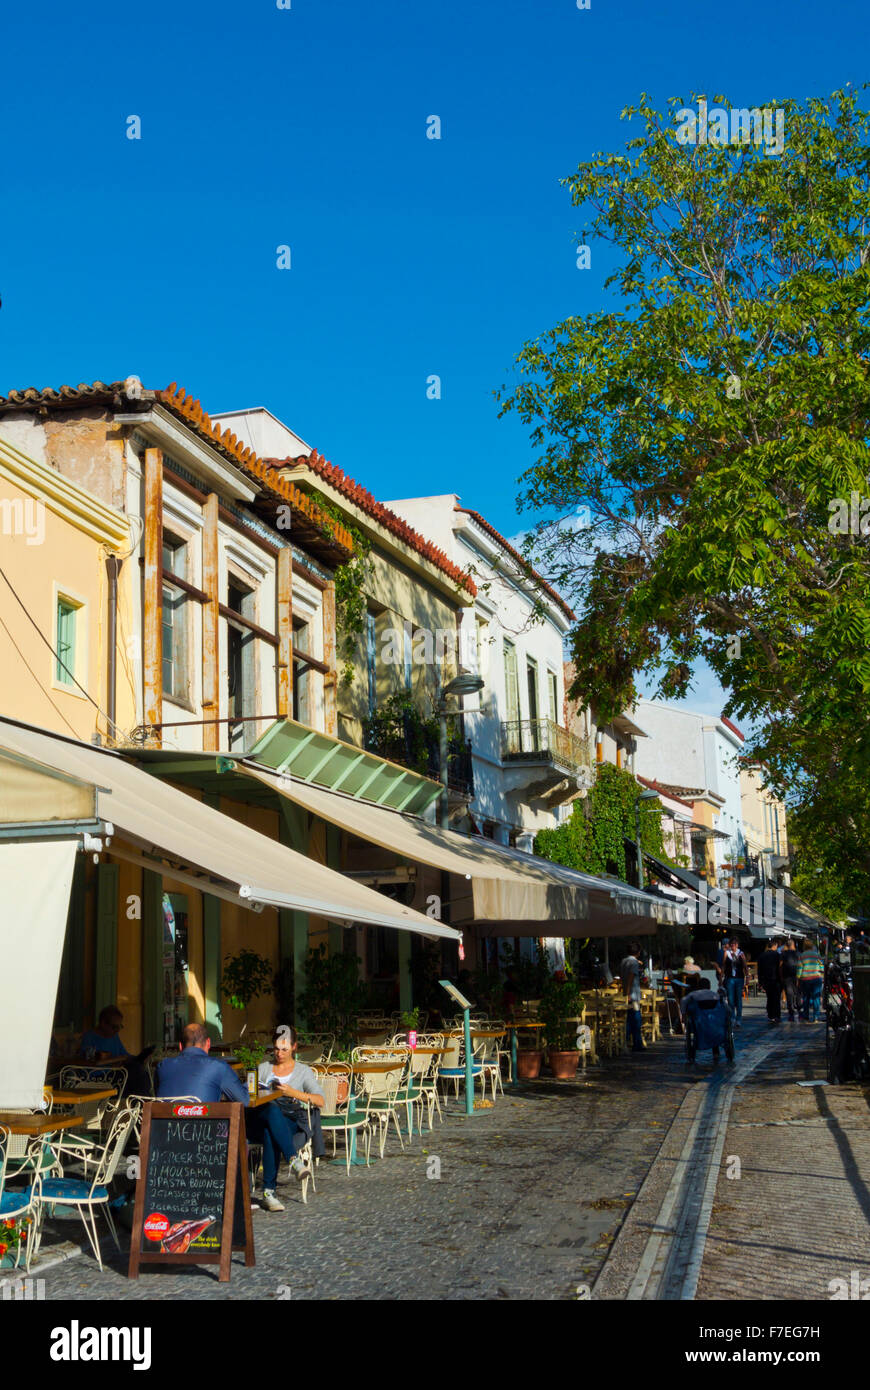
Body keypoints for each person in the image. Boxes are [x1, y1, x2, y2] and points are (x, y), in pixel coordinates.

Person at [156, 1023, 308, 1212]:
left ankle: (281, 1173)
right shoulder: (217, 1067)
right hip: (204, 1141)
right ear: (209, 1044)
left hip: (164, 1143)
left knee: (269, 1115)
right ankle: (286, 1164)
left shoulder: (162, 1067)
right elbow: (244, 1100)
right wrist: (247, 1085)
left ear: (180, 1046)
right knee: (264, 1114)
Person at [256, 1026, 326, 1180]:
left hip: (292, 1120)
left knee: (270, 1132)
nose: (279, 1053)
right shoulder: (263, 1069)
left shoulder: (303, 1071)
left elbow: (320, 1100)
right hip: (264, 1118)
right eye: (276, 1049)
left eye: (284, 1049)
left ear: (294, 1047)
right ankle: (294, 1161)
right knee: (270, 1124)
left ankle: (269, 1192)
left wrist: (293, 1093)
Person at [78, 1005, 153, 1096]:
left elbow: (125, 1055)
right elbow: (90, 1059)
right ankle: (143, 1104)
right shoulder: (89, 1037)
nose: (117, 1031)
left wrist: (139, 1058)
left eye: (119, 1027)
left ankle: (143, 1103)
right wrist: (117, 1060)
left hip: (115, 1075)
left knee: (140, 1072)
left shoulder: (114, 1037)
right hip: (97, 1078)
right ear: (103, 1023)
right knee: (136, 1074)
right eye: (114, 1027)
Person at [620, 942, 645, 1052]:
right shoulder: (634, 963)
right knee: (636, 1018)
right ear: (638, 952)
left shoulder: (624, 961)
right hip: (633, 994)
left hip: (625, 993)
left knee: (629, 1018)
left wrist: (625, 991)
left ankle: (626, 1041)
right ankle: (637, 1043)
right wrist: (629, 992)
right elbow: (631, 977)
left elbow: (623, 977)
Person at [721, 938, 747, 1027]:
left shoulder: (741, 954)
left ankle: (739, 1019)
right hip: (730, 978)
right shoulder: (727, 953)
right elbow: (723, 966)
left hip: (739, 978)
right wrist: (721, 978)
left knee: (738, 999)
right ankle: (732, 1017)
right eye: (732, 944)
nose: (733, 946)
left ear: (737, 945)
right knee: (731, 999)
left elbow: (745, 966)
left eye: (735, 944)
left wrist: (747, 978)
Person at [798, 938, 824, 1022]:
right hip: (816, 978)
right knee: (816, 997)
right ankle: (816, 1017)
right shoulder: (817, 955)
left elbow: (799, 969)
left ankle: (806, 1016)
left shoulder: (802, 955)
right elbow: (822, 967)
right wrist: (822, 976)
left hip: (805, 979)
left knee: (806, 998)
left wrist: (798, 978)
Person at [756, 939, 782, 1024]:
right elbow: (780, 968)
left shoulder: (762, 955)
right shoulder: (778, 955)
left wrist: (760, 981)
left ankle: (770, 1015)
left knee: (769, 997)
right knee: (776, 998)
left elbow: (759, 970)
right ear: (774, 946)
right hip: (776, 979)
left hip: (766, 980)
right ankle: (777, 1015)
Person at [780, 938, 800, 1020]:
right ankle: (799, 1010)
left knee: (789, 994)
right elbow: (800, 965)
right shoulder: (798, 953)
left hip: (786, 976)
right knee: (798, 993)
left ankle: (791, 1013)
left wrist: (780, 976)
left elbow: (780, 966)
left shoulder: (783, 954)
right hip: (796, 975)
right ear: (793, 945)